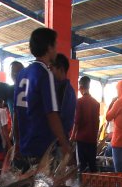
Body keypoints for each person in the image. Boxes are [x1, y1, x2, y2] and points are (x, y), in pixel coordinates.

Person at [13, 28, 70, 171]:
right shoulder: (44, 74)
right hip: (42, 149)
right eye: (55, 46)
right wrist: (64, 145)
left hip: (26, 147)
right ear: (49, 47)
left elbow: (16, 113)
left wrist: (17, 143)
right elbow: (51, 114)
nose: (56, 50)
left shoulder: (22, 74)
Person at [72, 75, 100, 174]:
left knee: (82, 166)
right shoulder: (96, 103)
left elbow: (77, 120)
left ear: (80, 87)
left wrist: (72, 137)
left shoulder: (79, 102)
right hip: (92, 139)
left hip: (81, 139)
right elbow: (97, 122)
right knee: (92, 165)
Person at [51, 53, 77, 144]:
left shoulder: (67, 92)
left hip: (57, 142)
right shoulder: (57, 87)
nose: (50, 72)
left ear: (61, 69)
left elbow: (65, 121)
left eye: (52, 69)